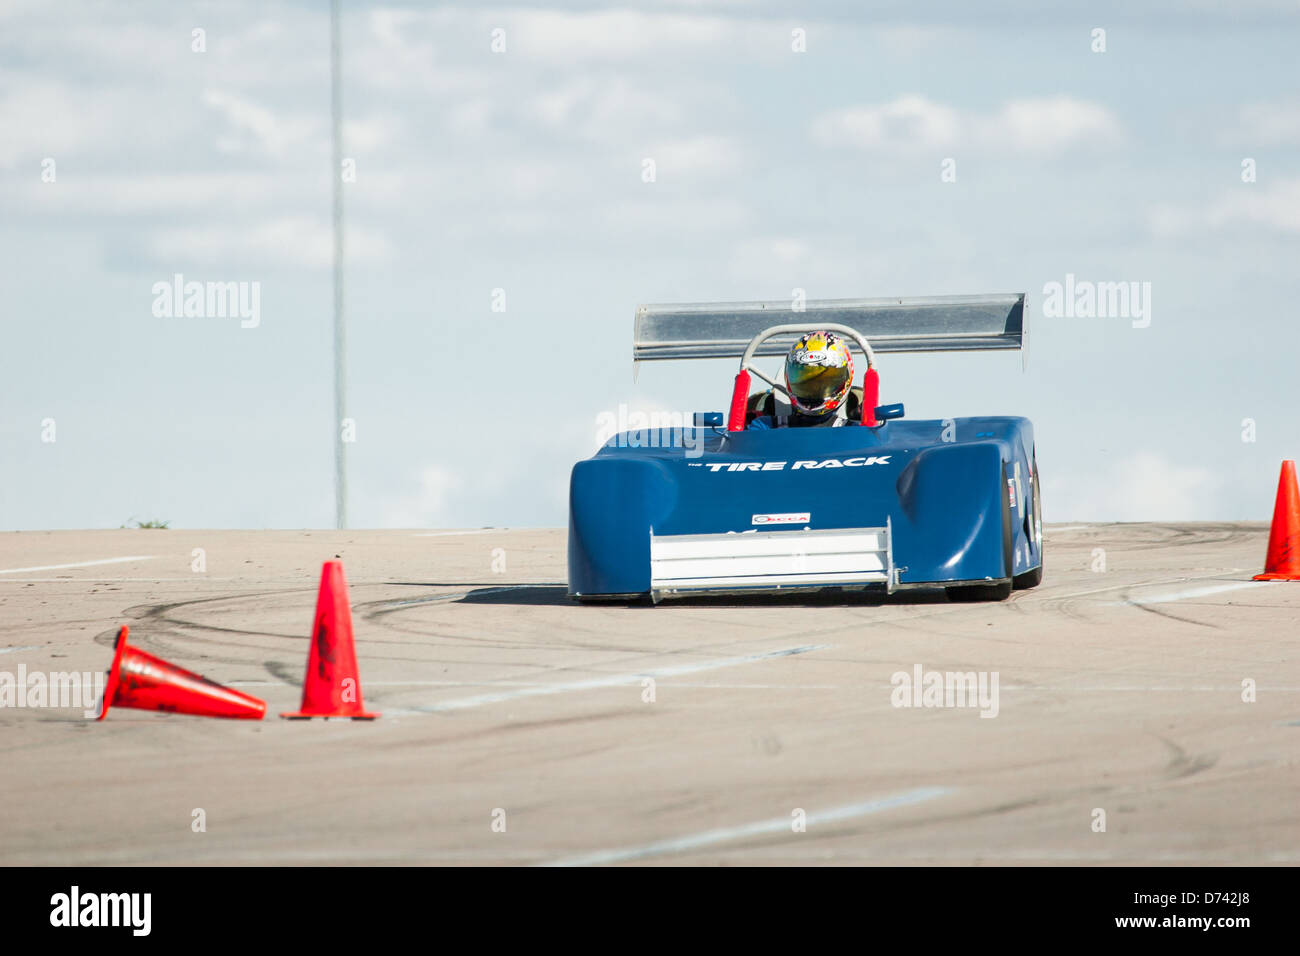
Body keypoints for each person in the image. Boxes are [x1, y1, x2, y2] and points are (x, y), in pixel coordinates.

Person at [747, 330, 857, 428]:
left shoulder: (853, 432)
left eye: (821, 382)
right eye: (806, 381)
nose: (813, 388)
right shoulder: (764, 427)